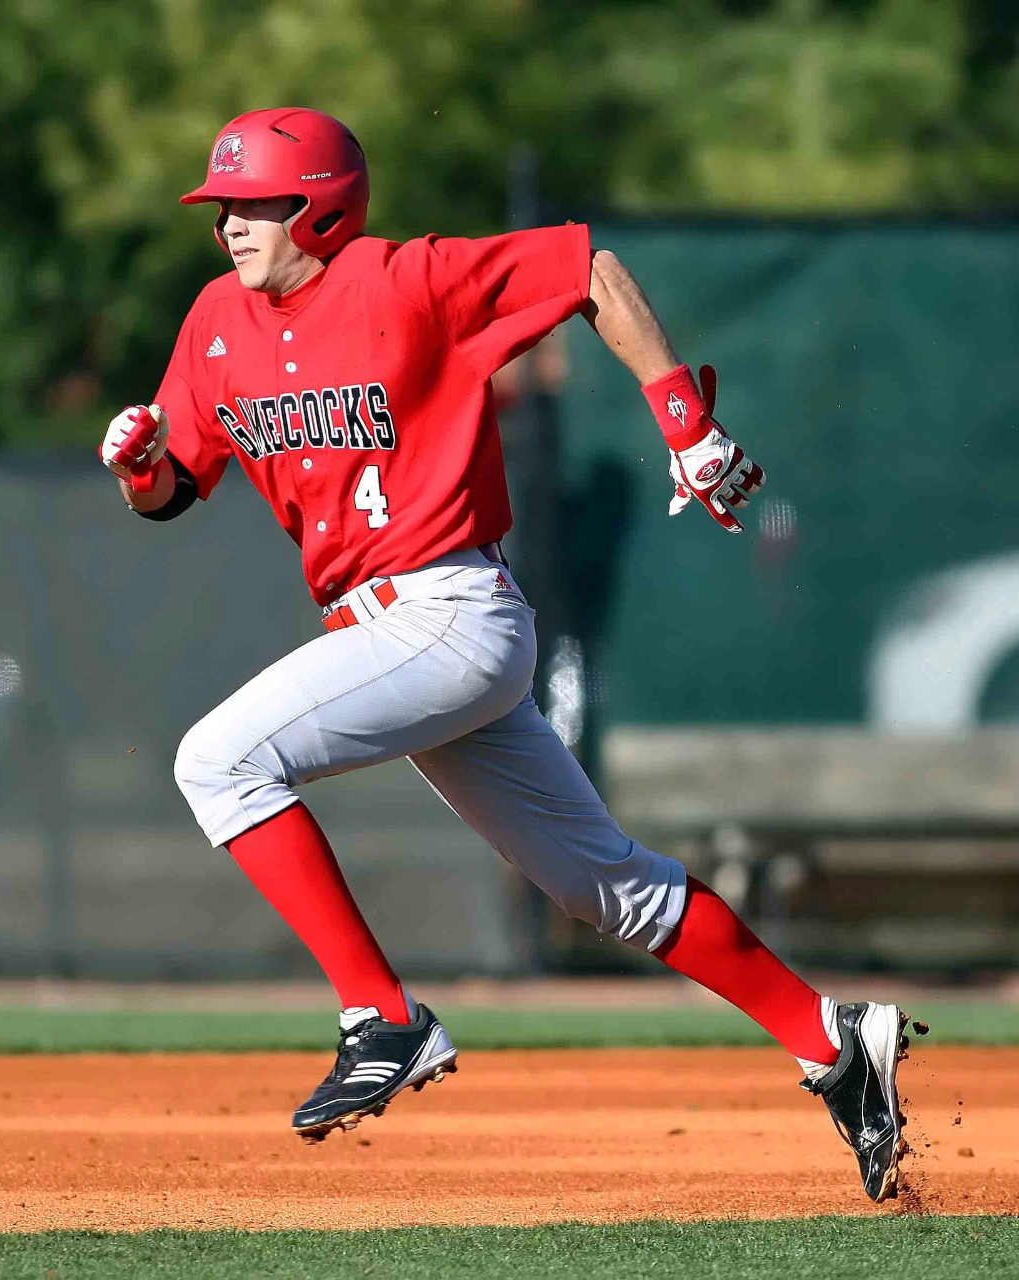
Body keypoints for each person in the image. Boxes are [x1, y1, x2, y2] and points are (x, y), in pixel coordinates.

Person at [99, 108, 909, 1202]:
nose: (232, 224)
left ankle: (381, 1016)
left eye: (255, 202)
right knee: (606, 887)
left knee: (217, 759)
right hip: (383, 629)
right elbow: (173, 486)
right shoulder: (213, 322)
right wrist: (140, 468)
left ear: (322, 204)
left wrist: (685, 420)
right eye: (224, 206)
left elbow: (590, 267)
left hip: (448, 608)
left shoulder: (408, 280)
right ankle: (830, 1034)